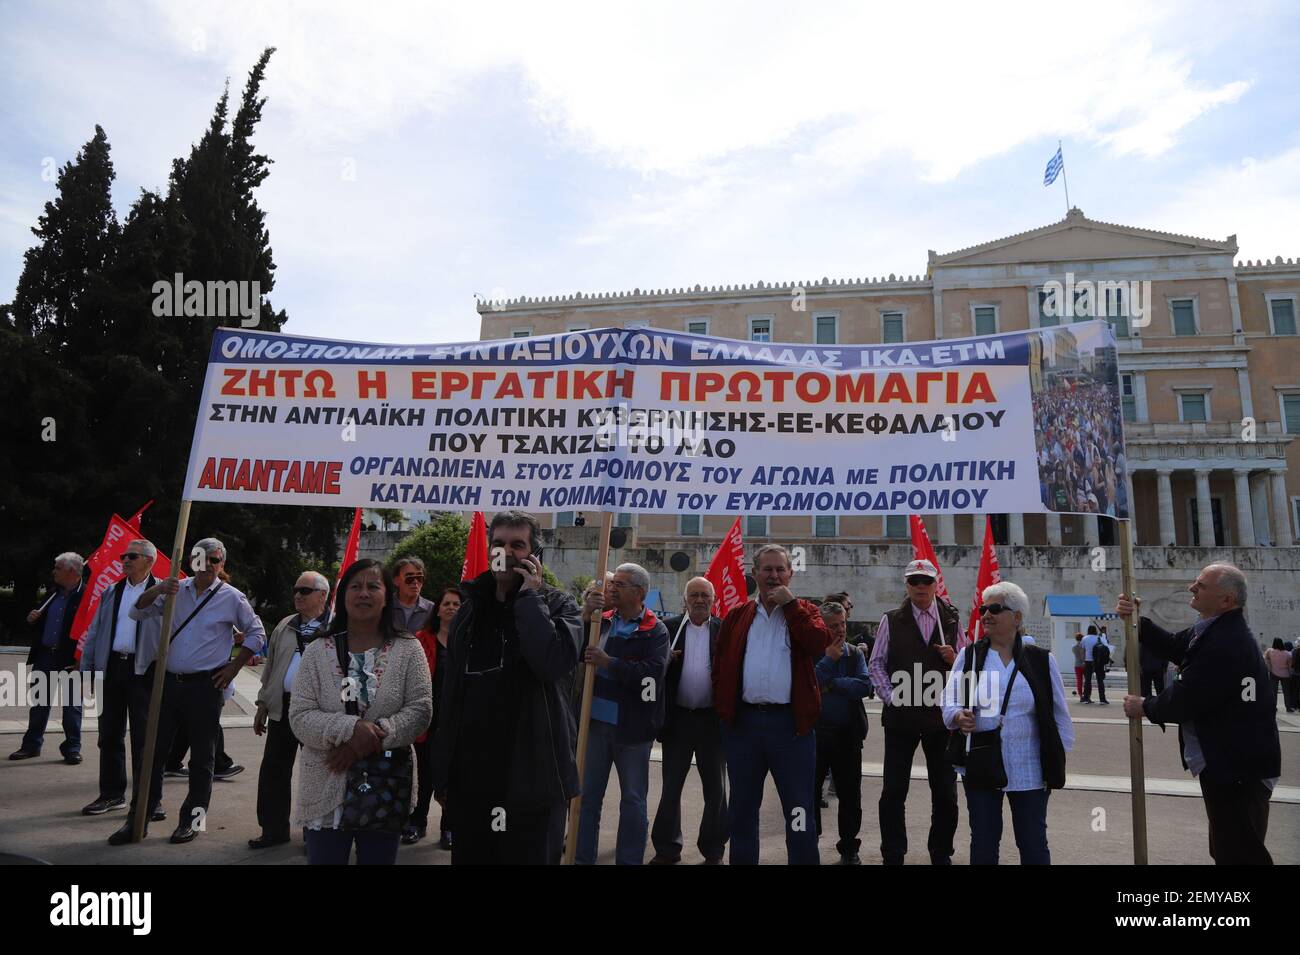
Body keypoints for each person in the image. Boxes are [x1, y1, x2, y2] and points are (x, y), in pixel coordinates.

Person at [431, 511, 583, 865]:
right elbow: (452, 695)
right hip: (473, 779)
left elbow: (551, 664)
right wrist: (443, 771)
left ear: (535, 553)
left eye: (518, 545)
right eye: (499, 544)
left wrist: (530, 599)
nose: (508, 552)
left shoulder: (561, 607)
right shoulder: (469, 612)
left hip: (534, 779)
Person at [1118, 563, 1282, 865]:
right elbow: (1174, 646)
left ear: (1226, 600)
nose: (1192, 588)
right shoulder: (1214, 630)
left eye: (1201, 585)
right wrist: (1137, 621)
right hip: (1232, 764)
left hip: (1238, 768)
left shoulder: (1226, 641)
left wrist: (1145, 706)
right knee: (1228, 849)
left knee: (1239, 853)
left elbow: (1186, 698)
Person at [110, 537, 266, 846]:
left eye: (215, 560)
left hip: (205, 687)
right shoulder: (175, 589)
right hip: (167, 683)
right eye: (201, 558)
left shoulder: (231, 597)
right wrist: (156, 589)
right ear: (192, 560)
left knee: (202, 759)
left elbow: (257, 633)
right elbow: (137, 612)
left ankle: (192, 821)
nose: (207, 565)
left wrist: (234, 668)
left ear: (222, 564)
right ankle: (137, 819)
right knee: (151, 753)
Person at [289, 559, 432, 864]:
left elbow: (420, 710)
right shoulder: (317, 650)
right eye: (355, 586)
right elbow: (300, 716)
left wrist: (364, 742)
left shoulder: (409, 649)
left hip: (385, 786)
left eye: (373, 586)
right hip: (327, 782)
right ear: (342, 597)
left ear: (386, 596)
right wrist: (350, 729)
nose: (363, 593)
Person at [713, 544, 830, 865]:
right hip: (744, 727)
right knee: (742, 810)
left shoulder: (806, 610)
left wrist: (791, 606)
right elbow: (720, 665)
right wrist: (726, 715)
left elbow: (818, 643)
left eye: (780, 569)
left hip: (791, 729)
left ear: (790, 575)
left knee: (798, 809)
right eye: (767, 569)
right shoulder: (738, 616)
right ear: (755, 574)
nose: (774, 575)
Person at [943, 582, 1073, 865]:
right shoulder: (969, 656)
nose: (986, 615)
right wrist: (957, 716)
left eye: (995, 608)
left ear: (1017, 617)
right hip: (981, 762)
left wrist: (1056, 756)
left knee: (1033, 843)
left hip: (1029, 768)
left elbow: (1059, 716)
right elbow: (948, 701)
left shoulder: (1041, 660)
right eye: (983, 609)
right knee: (984, 842)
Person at [867, 558, 962, 866]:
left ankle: (941, 852)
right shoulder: (892, 619)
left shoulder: (951, 620)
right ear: (906, 586)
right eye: (914, 582)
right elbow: (877, 662)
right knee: (894, 791)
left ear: (936, 584)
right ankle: (893, 853)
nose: (921, 587)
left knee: (945, 793)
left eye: (926, 581)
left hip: (940, 719)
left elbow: (969, 665)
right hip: (902, 717)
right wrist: (891, 696)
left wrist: (955, 657)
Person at [575, 562, 670, 865]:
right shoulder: (599, 621)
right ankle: (581, 858)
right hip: (594, 725)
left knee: (632, 801)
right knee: (586, 799)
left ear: (640, 592)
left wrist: (610, 663)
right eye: (612, 583)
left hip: (632, 730)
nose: (611, 588)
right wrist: (584, 614)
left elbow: (650, 677)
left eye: (620, 584)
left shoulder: (655, 630)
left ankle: (629, 860)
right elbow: (572, 651)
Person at [78, 541, 161, 816]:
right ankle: (112, 795)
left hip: (144, 672)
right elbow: (96, 629)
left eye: (132, 556)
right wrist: (88, 666)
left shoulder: (163, 592)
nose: (125, 560)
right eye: (124, 555)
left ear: (149, 560)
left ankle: (148, 801)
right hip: (112, 668)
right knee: (109, 735)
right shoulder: (112, 590)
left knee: (144, 740)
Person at [249, 571, 331, 849]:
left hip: (319, 711)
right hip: (283, 708)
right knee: (274, 770)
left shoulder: (337, 626)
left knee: (317, 772)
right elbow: (270, 668)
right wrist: (263, 704)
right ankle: (273, 830)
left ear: (323, 595)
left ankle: (316, 834)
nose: (297, 595)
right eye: (295, 589)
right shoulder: (285, 625)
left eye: (304, 591)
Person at [649, 577, 727, 865]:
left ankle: (714, 849)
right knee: (671, 787)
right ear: (684, 600)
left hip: (712, 721)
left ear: (713, 599)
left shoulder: (724, 630)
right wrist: (664, 662)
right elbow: (650, 669)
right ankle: (667, 848)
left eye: (705, 595)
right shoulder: (667, 629)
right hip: (678, 721)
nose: (699, 600)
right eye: (693, 595)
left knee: (716, 790)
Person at [10, 552, 86, 764]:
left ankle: (72, 748)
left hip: (72, 659)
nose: (54, 571)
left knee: (72, 706)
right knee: (39, 704)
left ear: (72, 571)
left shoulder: (88, 596)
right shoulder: (53, 593)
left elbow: (92, 629)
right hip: (45, 655)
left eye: (58, 567)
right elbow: (44, 622)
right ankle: (31, 745)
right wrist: (33, 619)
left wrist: (84, 658)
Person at [813, 601, 872, 865]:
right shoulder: (814, 652)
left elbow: (864, 686)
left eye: (843, 623)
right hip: (814, 735)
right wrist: (828, 662)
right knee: (809, 793)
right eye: (833, 626)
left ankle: (849, 848)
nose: (840, 630)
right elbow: (810, 682)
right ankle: (808, 841)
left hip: (848, 735)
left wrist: (833, 684)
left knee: (850, 796)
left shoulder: (854, 654)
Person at [404, 586, 461, 847]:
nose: (450, 607)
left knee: (452, 777)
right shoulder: (421, 639)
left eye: (456, 604)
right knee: (424, 775)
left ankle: (449, 828)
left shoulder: (469, 641)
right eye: (446, 603)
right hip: (427, 718)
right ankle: (416, 822)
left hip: (456, 722)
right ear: (437, 609)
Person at [391, 557, 434, 633]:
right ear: (396, 581)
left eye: (419, 578)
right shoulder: (384, 606)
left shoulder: (431, 610)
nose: (415, 582)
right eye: (409, 578)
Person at [1080, 625, 1110, 704]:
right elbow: (1105, 648)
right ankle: (1102, 699)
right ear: (1095, 631)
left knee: (1087, 680)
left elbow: (1082, 651)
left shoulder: (1084, 638)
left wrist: (1083, 661)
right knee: (1100, 680)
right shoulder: (1098, 638)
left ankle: (1086, 698)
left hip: (1088, 661)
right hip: (1098, 661)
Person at [1264, 638, 1295, 714]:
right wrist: (1291, 674)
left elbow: (1265, 658)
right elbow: (1290, 666)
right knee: (1286, 692)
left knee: (1273, 692)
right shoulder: (1287, 654)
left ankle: (1274, 707)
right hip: (1285, 674)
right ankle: (1288, 707)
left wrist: (1269, 667)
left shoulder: (1270, 651)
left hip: (1273, 673)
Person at [1140, 630, 1170, 699]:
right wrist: (1165, 666)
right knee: (1160, 689)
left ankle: (1147, 704)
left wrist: (1141, 665)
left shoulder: (1144, 642)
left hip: (1146, 667)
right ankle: (1161, 704)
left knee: (1146, 689)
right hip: (1158, 668)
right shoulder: (1161, 642)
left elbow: (1141, 654)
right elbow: (1166, 655)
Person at [1071, 633, 1085, 698]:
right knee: (1087, 680)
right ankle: (1086, 694)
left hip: (1077, 664)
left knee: (1079, 680)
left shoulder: (1073, 647)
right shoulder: (1084, 646)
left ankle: (1080, 695)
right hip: (1084, 664)